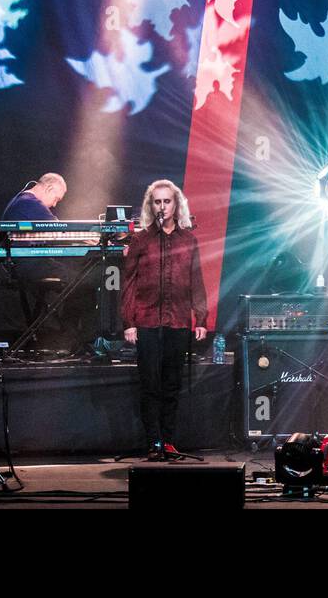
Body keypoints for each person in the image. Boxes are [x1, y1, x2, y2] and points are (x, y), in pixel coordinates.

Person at [121, 179, 207, 460]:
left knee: (171, 384)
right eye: (157, 201)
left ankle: (168, 440)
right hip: (146, 320)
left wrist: (201, 318)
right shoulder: (141, 240)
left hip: (179, 321)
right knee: (150, 384)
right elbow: (129, 283)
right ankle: (153, 441)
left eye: (166, 201)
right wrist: (129, 321)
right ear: (151, 205)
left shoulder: (188, 240)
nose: (162, 206)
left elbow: (196, 281)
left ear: (176, 204)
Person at [1, 173, 68, 220]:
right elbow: (60, 229)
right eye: (56, 199)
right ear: (49, 189)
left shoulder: (20, 199)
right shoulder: (31, 203)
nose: (54, 204)